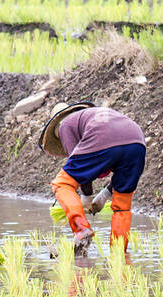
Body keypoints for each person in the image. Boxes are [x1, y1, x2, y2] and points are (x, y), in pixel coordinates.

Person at [39, 101, 145, 252]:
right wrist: (105, 195)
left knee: (62, 184)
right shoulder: (93, 116)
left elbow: (80, 174)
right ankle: (119, 256)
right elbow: (119, 154)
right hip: (137, 140)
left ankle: (81, 229)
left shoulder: (65, 124)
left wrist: (86, 197)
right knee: (122, 206)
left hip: (102, 135)